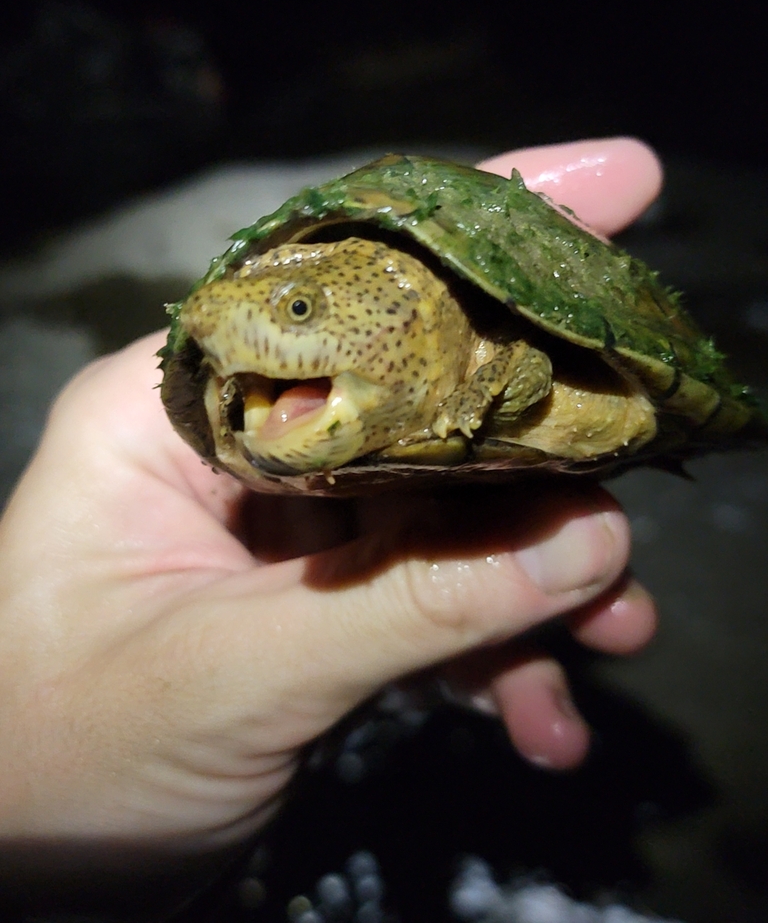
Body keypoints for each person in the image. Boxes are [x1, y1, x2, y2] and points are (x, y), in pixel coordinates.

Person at [0, 138, 661, 914]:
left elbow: (584, 385)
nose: (237, 354)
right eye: (221, 339)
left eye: (300, 313)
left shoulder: (482, 345)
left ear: (414, 320)